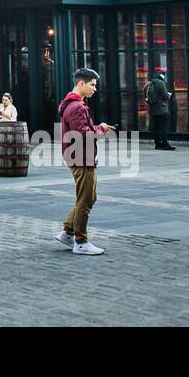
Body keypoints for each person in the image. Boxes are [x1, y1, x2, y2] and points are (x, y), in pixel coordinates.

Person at [54, 68, 115, 255]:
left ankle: (67, 232)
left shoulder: (71, 104)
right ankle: (80, 242)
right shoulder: (78, 107)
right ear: (81, 84)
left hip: (78, 156)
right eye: (92, 85)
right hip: (82, 157)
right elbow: (84, 135)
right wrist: (102, 129)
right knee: (86, 199)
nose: (94, 89)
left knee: (87, 197)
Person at [145, 71, 175, 150]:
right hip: (162, 109)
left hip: (153, 110)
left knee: (156, 129)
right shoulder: (161, 83)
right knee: (163, 129)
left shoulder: (150, 83)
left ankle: (158, 145)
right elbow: (166, 96)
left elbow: (146, 95)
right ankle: (165, 144)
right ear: (162, 75)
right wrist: (169, 95)